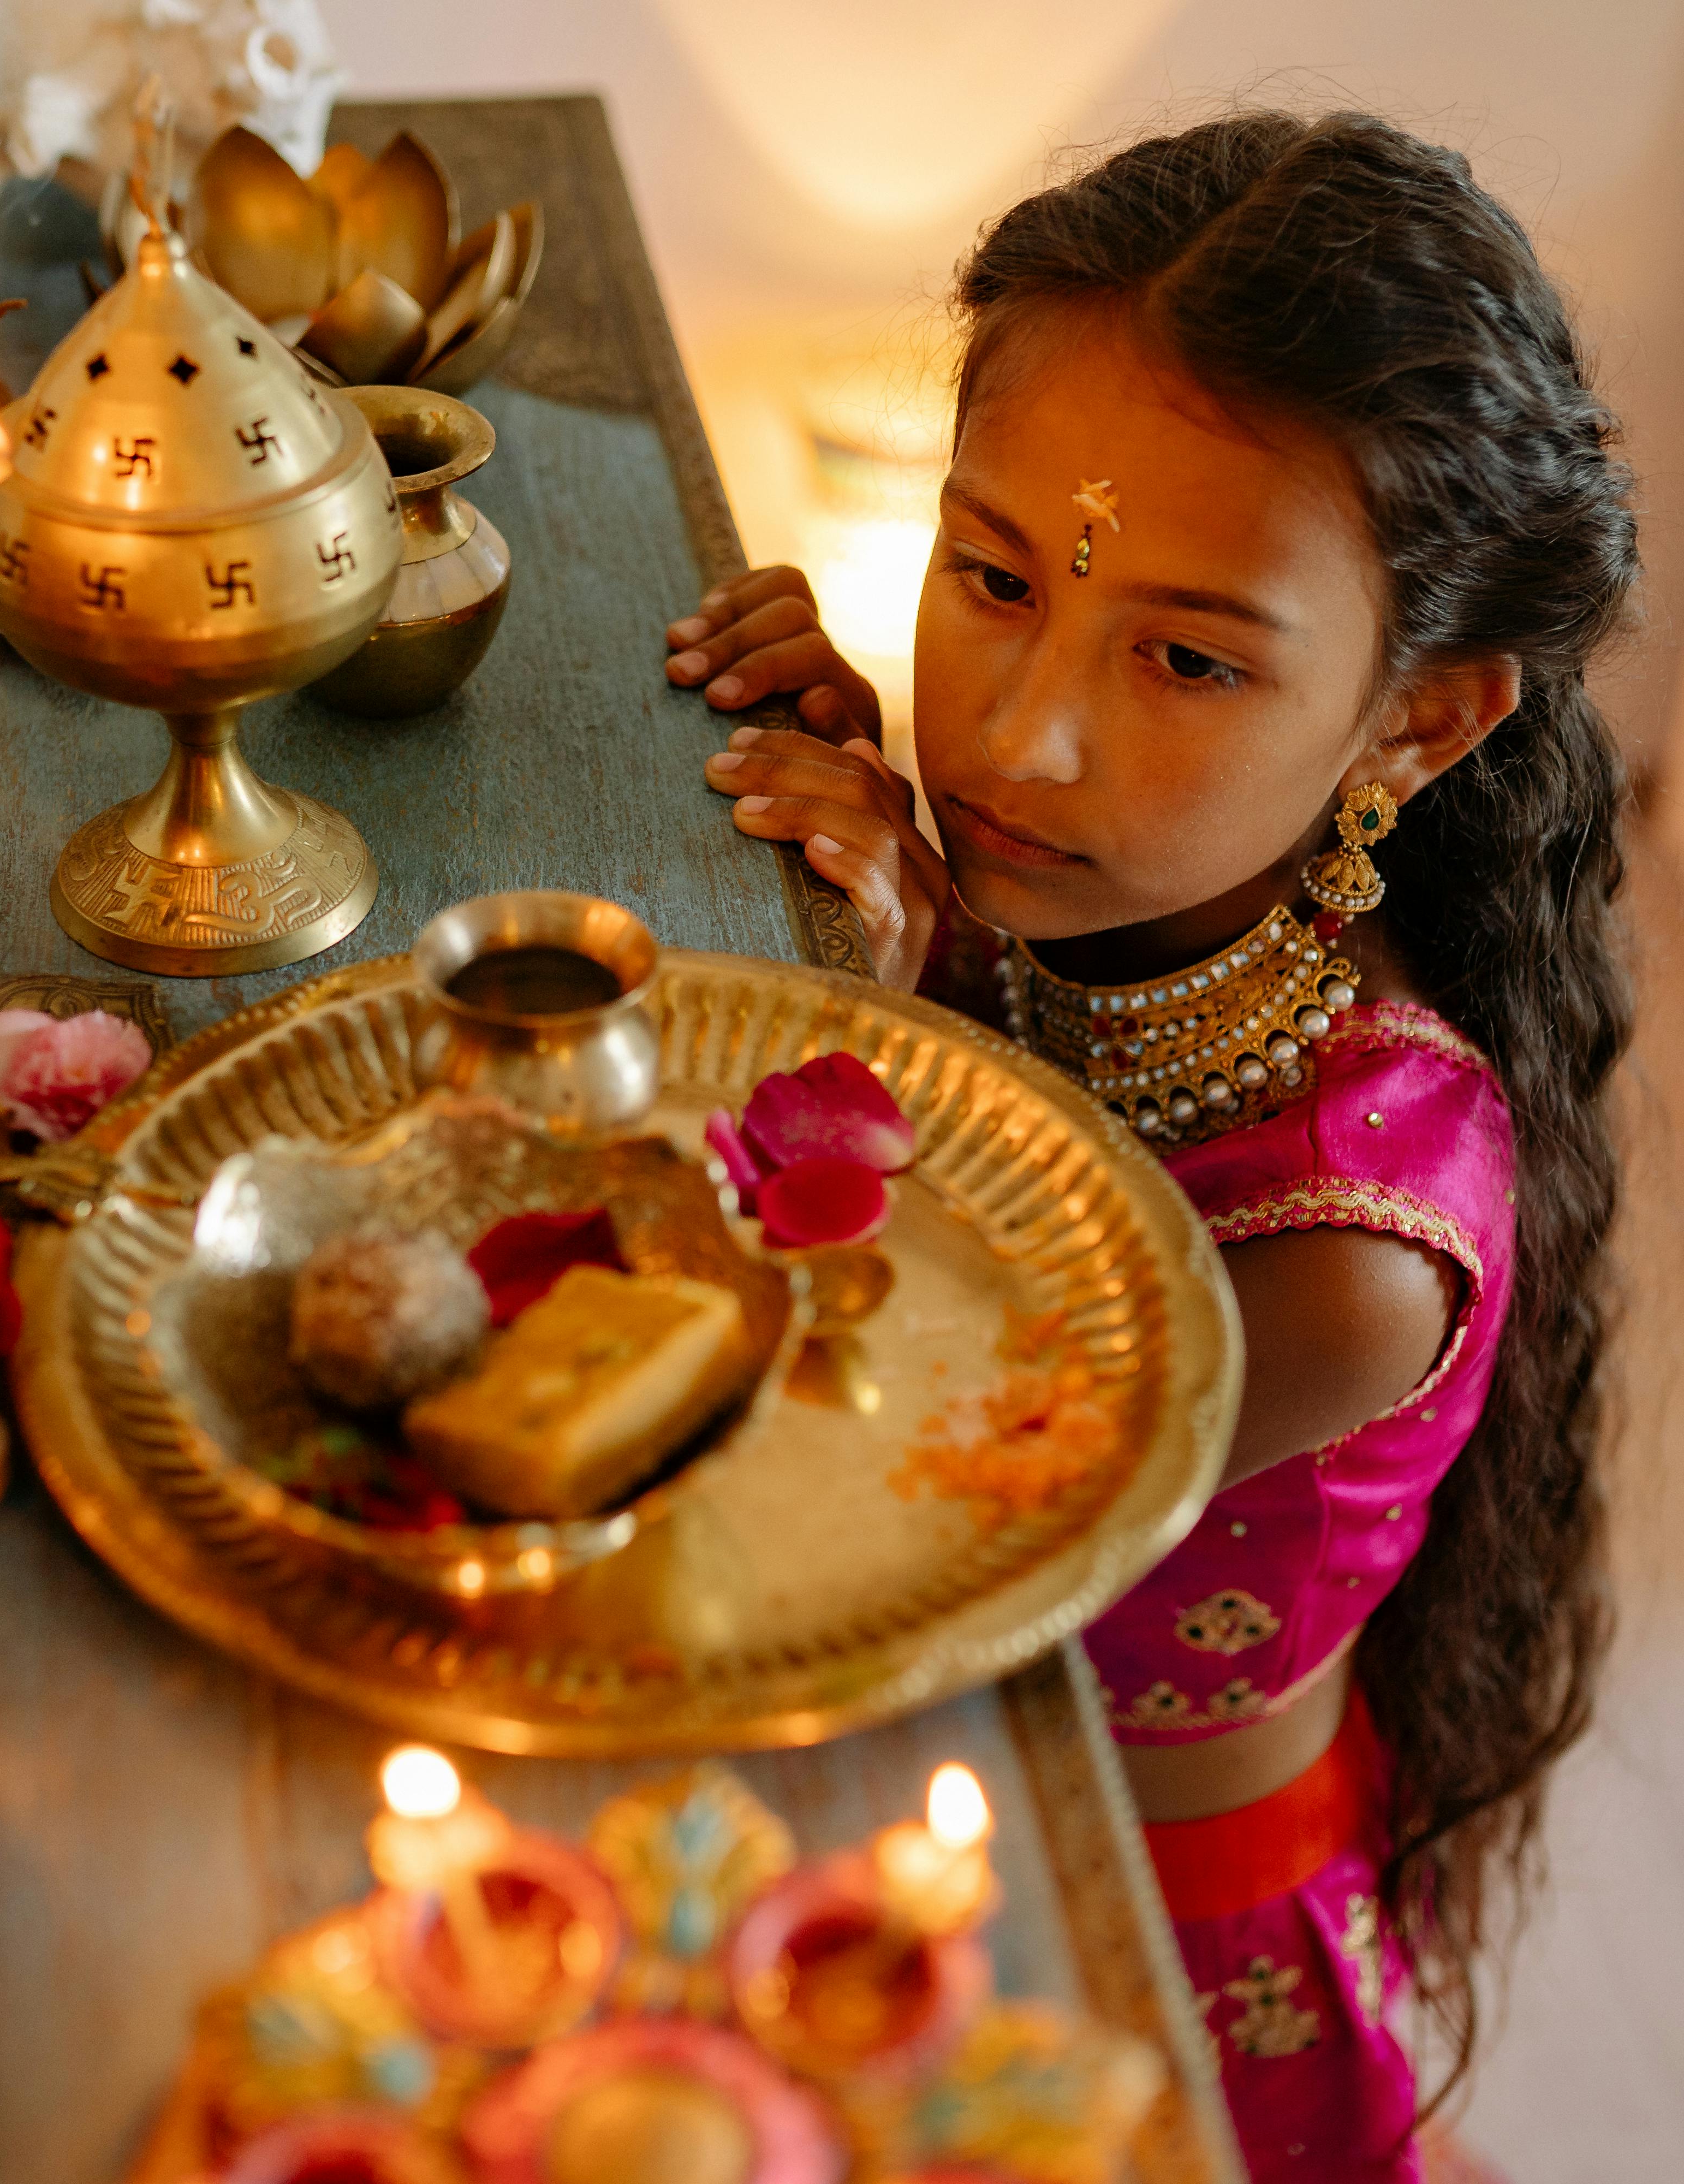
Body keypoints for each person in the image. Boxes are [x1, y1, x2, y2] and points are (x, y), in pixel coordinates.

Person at [666, 114, 1629, 2182]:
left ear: (1419, 722)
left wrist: (878, 1017)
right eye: (992, 577)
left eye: (1189, 659)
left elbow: (875, 1501)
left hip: (1124, 1900)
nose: (1019, 737)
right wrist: (838, 833)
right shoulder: (1106, 896)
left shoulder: (1354, 1246)